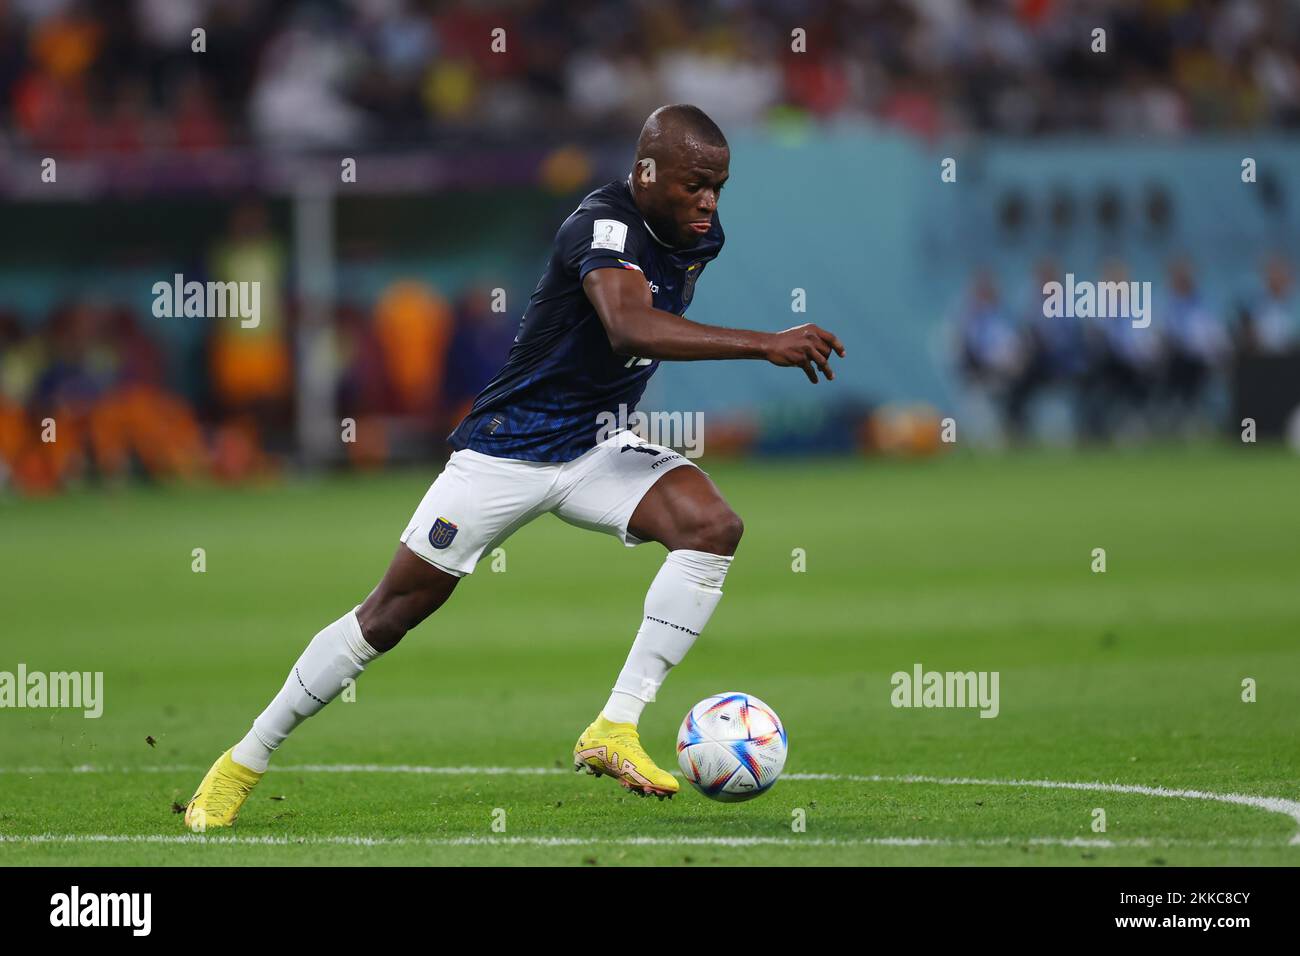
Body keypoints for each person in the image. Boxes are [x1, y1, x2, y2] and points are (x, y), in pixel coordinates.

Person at [184, 104, 845, 828]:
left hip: (595, 445)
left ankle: (615, 727)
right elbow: (627, 325)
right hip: (507, 450)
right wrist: (763, 343)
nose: (710, 201)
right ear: (647, 172)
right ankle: (243, 760)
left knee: (712, 526)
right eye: (696, 184)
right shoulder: (599, 227)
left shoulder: (699, 234)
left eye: (719, 185)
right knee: (391, 613)